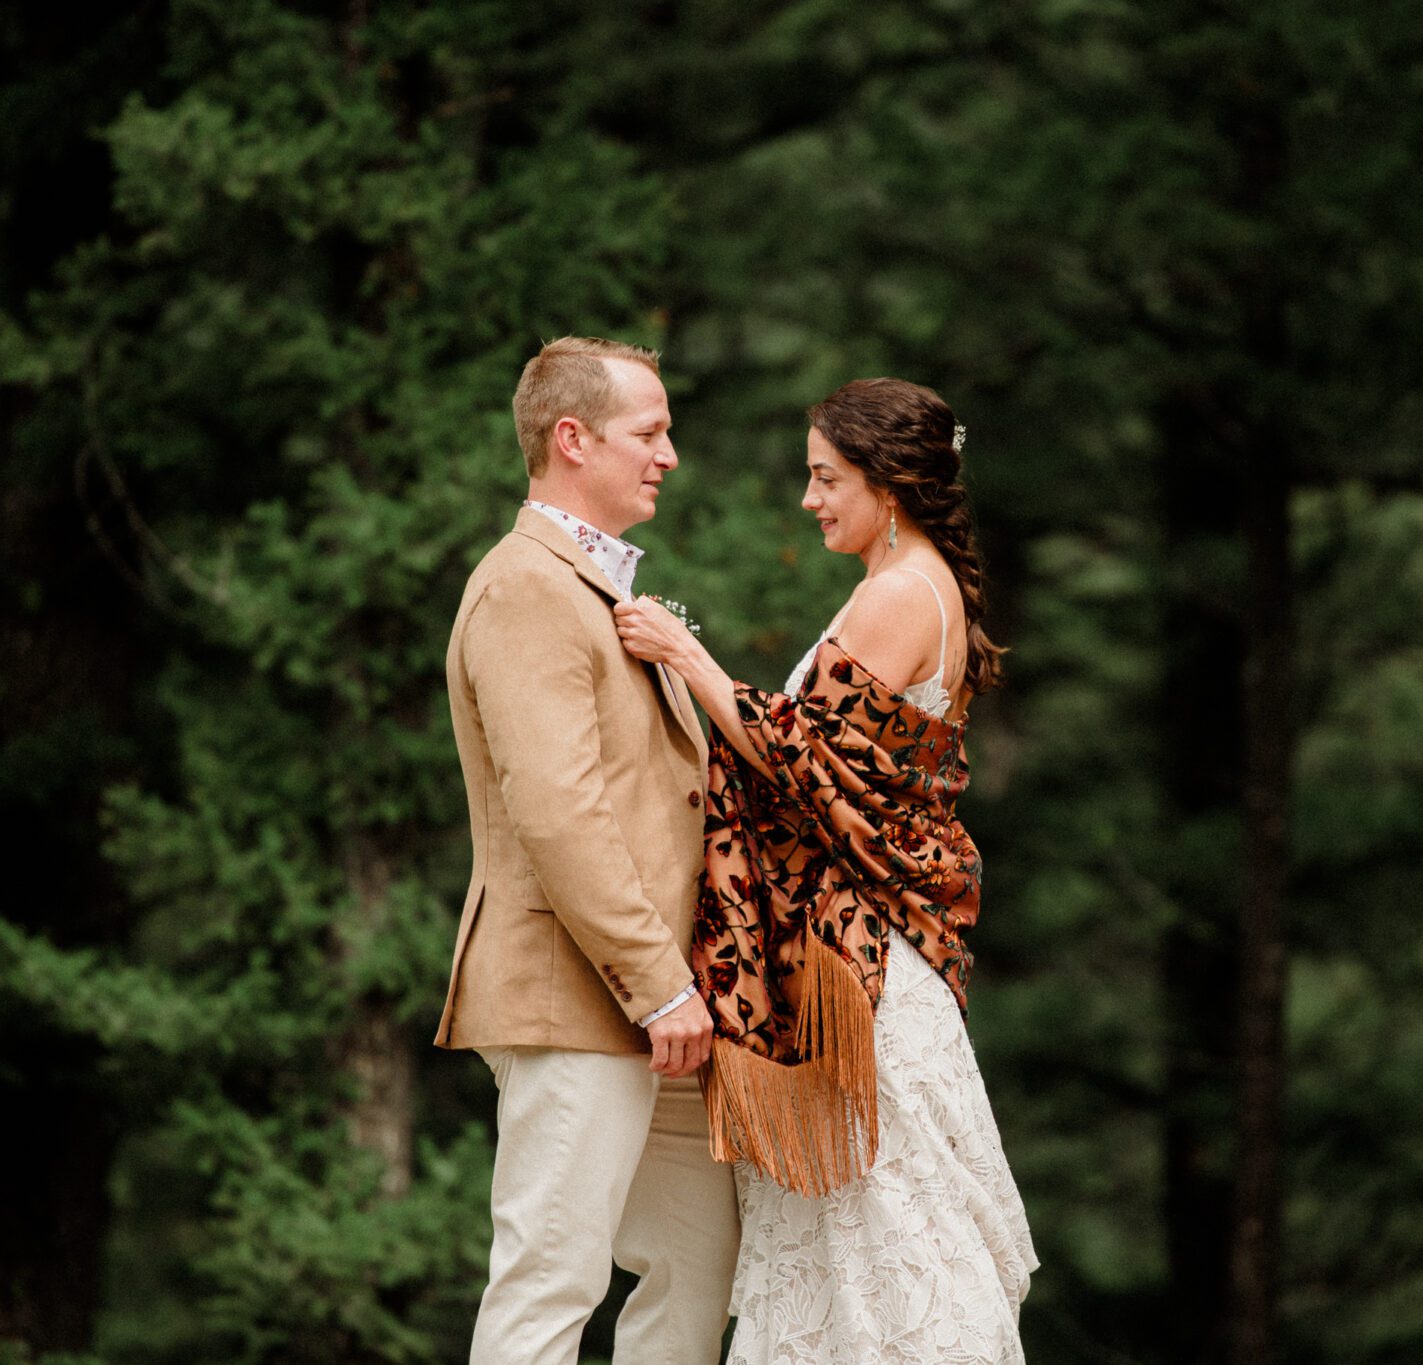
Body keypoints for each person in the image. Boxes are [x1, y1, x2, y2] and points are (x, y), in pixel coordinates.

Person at [614, 377, 1037, 1363]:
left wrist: (683, 652)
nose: (808, 500)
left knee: (889, 1248)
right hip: (872, 966)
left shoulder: (899, 592)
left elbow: (799, 761)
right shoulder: (915, 581)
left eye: (824, 477)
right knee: (868, 1245)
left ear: (887, 482)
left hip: (864, 981)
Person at [434, 336, 739, 1365]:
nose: (669, 455)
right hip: (578, 993)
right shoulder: (524, 585)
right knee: (550, 1279)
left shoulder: (593, 587)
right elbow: (557, 812)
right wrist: (658, 985)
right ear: (571, 439)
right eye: (648, 433)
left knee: (701, 1267)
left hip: (657, 1009)